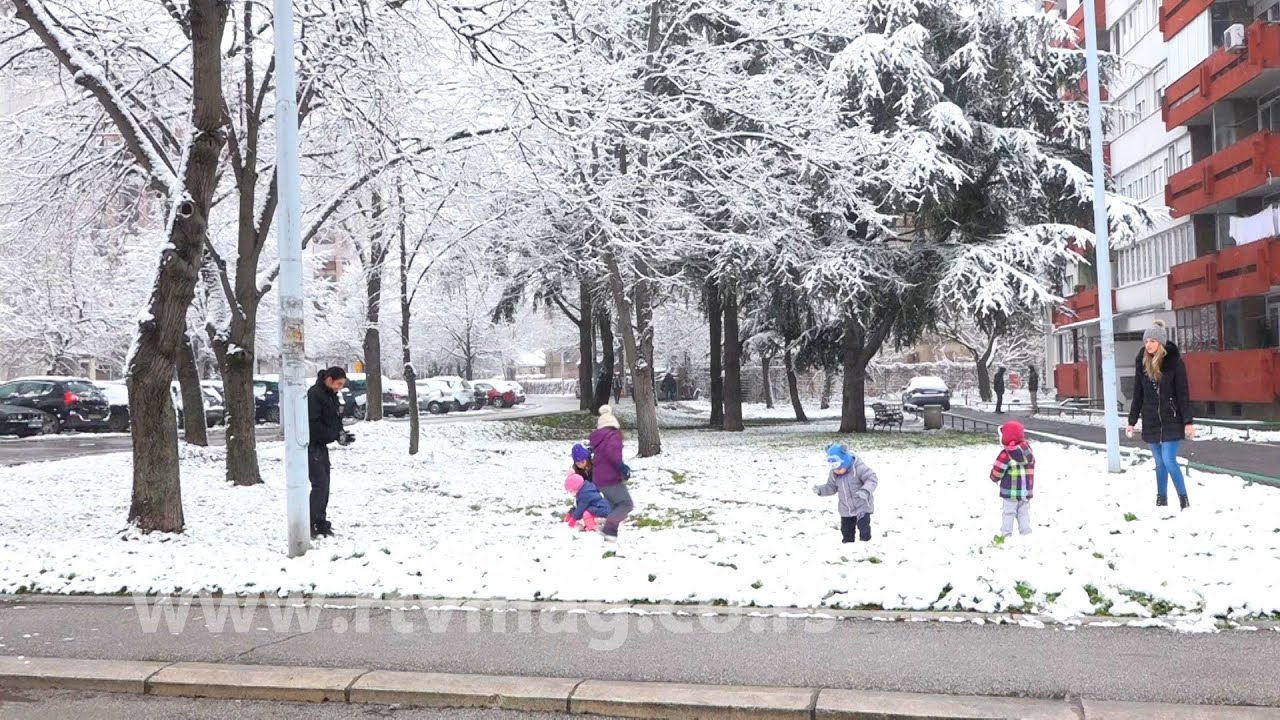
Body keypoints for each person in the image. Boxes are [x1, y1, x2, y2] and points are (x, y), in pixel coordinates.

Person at [1126, 320, 1196, 510]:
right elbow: (1137, 393)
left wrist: (1188, 422)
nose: (1148, 345)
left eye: (1152, 341)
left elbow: (1183, 393)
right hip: (1151, 419)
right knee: (1158, 462)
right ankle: (1161, 499)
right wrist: (1132, 421)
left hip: (1171, 419)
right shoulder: (1142, 363)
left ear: (1161, 343)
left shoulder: (1174, 364)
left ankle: (1183, 499)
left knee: (1168, 459)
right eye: (1146, 341)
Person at [307, 366, 352, 538]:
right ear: (330, 379)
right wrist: (334, 435)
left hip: (321, 446)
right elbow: (314, 423)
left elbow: (334, 418)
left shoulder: (330, 395)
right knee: (320, 485)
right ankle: (310, 523)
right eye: (338, 383)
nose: (340, 387)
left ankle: (320, 522)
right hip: (312, 445)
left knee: (324, 485)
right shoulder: (315, 394)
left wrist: (341, 433)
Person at [814, 443, 880, 543]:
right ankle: (848, 545)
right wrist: (821, 490)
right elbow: (831, 487)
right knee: (846, 530)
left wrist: (865, 490)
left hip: (862, 505)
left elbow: (872, 479)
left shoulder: (858, 469)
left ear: (846, 462)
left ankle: (866, 544)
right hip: (846, 508)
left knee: (864, 527)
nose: (837, 471)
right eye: (835, 469)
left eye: (839, 468)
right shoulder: (834, 474)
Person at [588, 406, 632, 542]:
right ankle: (608, 528)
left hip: (599, 478)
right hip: (610, 478)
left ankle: (611, 536)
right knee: (626, 504)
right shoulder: (613, 436)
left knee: (614, 506)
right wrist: (622, 468)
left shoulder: (599, 438)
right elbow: (613, 455)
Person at [990, 420, 1035, 539]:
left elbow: (998, 470)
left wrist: (994, 478)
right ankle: (1026, 533)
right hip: (1026, 491)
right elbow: (1032, 464)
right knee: (1024, 513)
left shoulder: (1005, 454)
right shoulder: (1028, 451)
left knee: (1008, 513)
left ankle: (1006, 534)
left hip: (1010, 492)